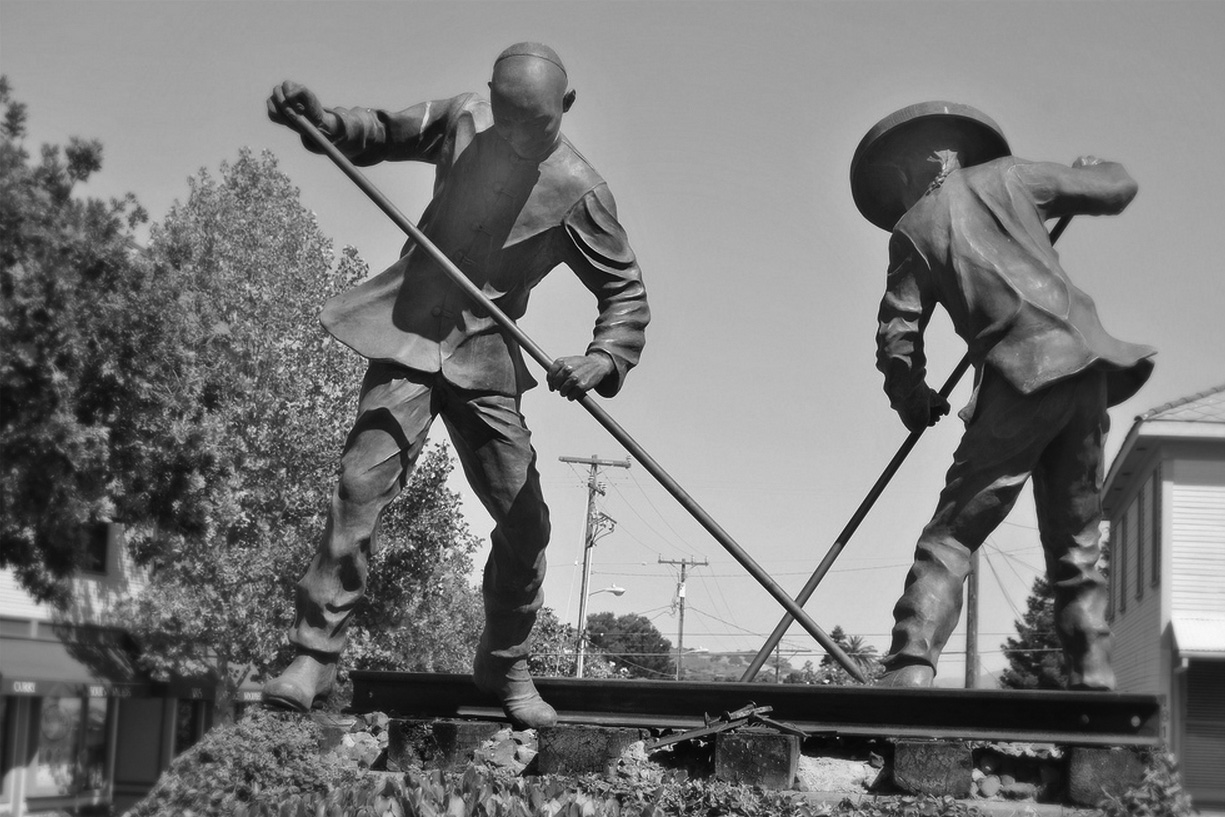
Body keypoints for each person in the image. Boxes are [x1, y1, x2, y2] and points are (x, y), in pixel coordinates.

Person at [261, 42, 650, 727]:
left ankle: (503, 660)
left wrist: (602, 358)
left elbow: (624, 297)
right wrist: (322, 120)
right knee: (358, 489)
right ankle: (313, 655)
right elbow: (381, 132)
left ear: (568, 107)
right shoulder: (464, 119)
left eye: (533, 127)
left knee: (525, 521)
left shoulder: (580, 192)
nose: (515, 137)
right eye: (506, 120)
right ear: (489, 98)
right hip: (407, 338)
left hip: (485, 362)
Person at [849, 102, 1155, 689]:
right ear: (956, 152)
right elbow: (1116, 188)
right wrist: (1095, 166)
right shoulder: (1013, 176)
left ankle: (910, 668)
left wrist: (913, 401)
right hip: (1087, 368)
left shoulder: (913, 230)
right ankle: (1093, 673)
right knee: (1077, 545)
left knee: (950, 540)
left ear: (912, 171)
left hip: (1019, 379)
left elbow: (898, 339)